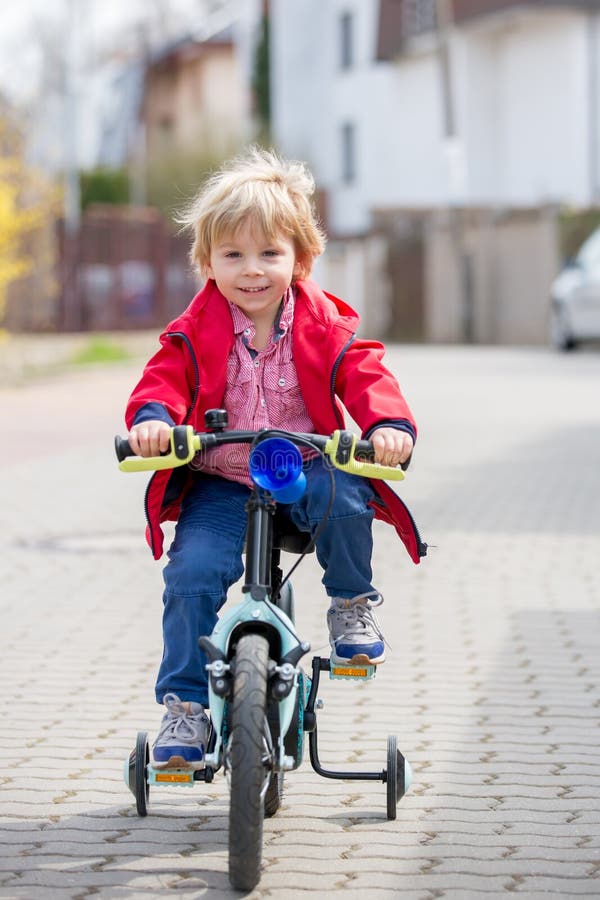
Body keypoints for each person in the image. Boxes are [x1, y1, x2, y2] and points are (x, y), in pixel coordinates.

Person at [124, 147, 426, 770]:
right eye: (233, 255)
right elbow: (162, 384)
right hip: (221, 480)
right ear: (207, 262)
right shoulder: (194, 331)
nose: (252, 270)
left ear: (301, 259)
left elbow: (366, 376)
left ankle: (349, 606)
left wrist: (387, 426)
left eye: (269, 254)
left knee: (348, 495)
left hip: (305, 468)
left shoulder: (323, 326)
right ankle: (184, 708)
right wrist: (154, 424)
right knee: (192, 574)